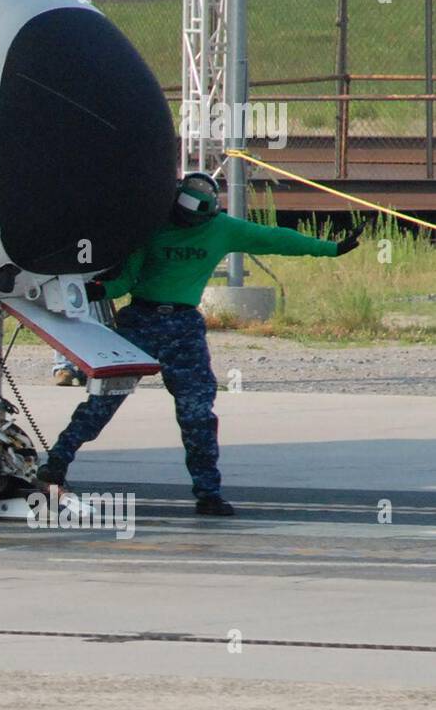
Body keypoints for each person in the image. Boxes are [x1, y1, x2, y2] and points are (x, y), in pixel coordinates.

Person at [36, 172, 363, 516]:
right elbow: (125, 279)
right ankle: (56, 465)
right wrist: (89, 291)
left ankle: (208, 493)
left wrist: (330, 249)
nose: (183, 224)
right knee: (105, 402)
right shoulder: (154, 225)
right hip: (142, 322)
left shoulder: (221, 228)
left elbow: (275, 238)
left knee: (196, 415)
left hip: (180, 327)